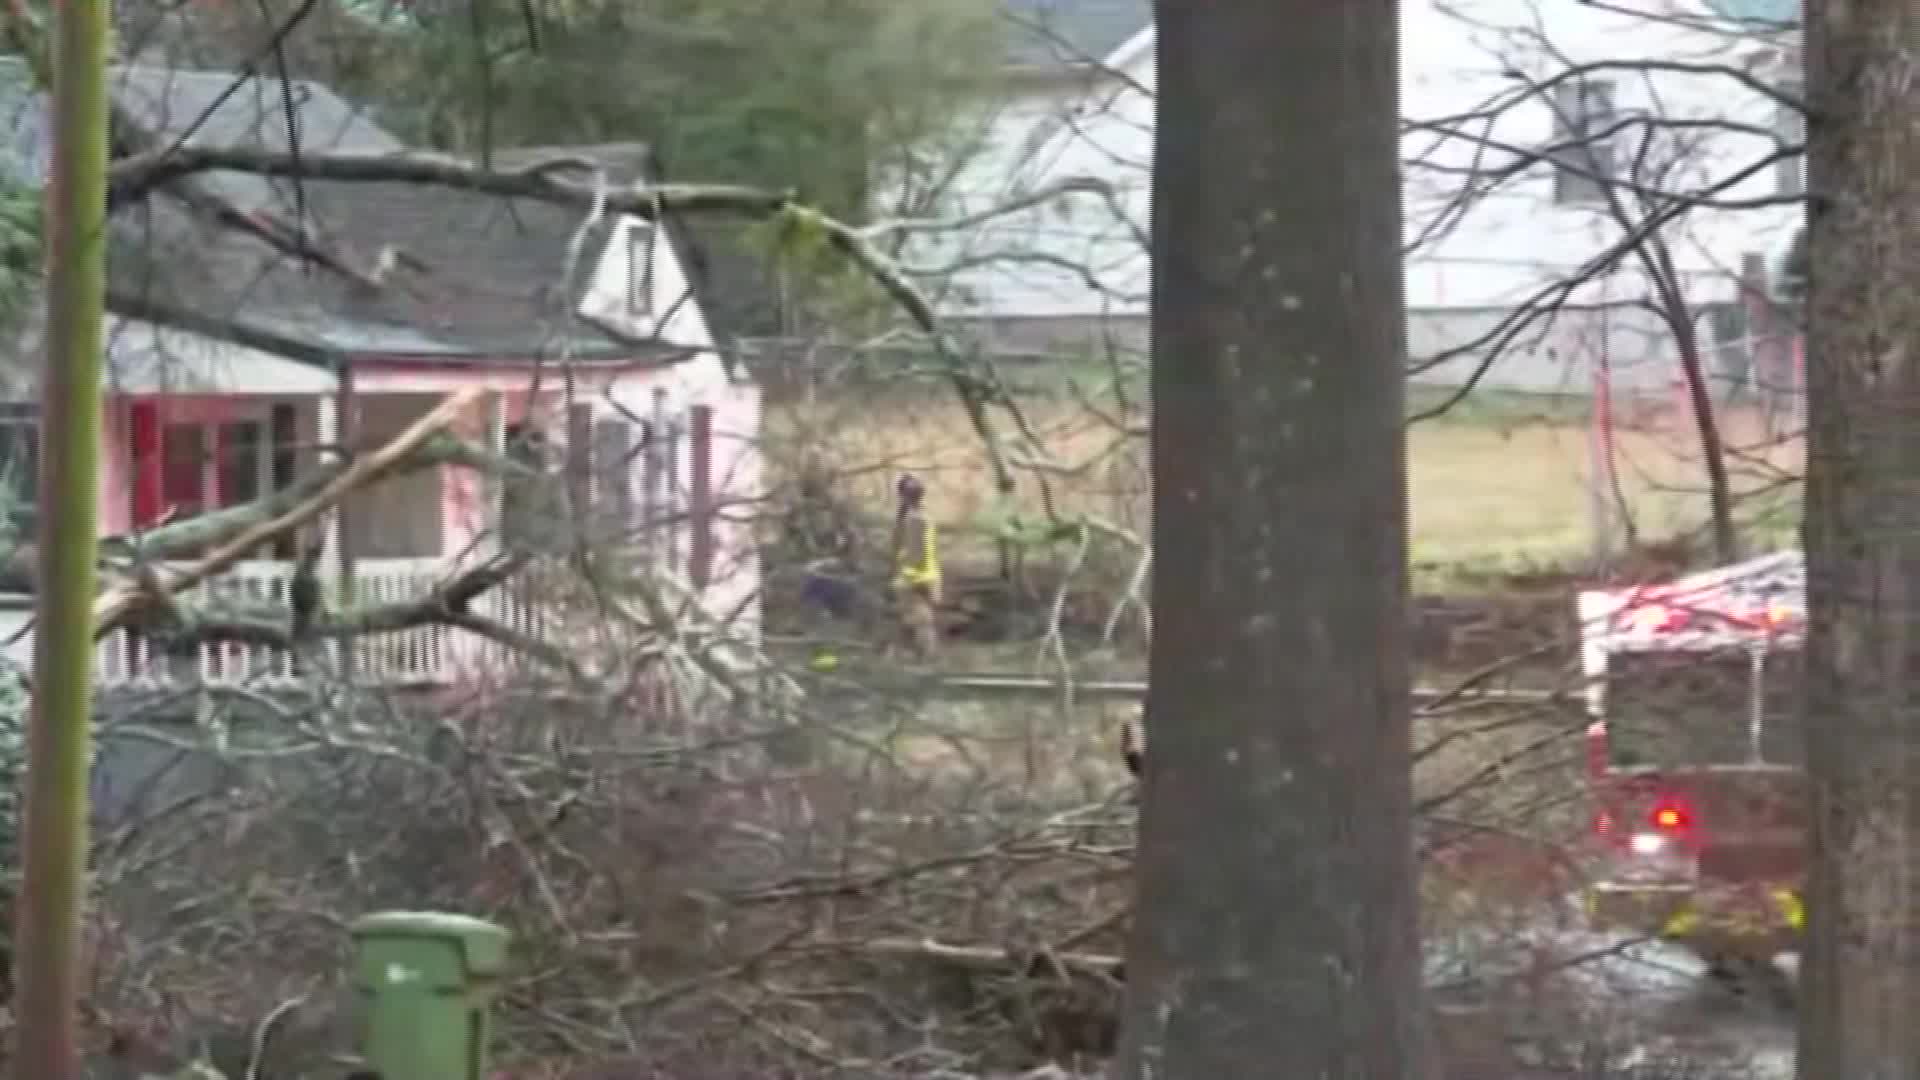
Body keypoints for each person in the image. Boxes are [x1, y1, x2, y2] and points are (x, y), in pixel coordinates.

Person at [889, 473, 942, 659]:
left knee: (919, 619)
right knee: (917, 619)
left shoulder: (914, 519)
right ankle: (913, 653)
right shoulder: (924, 516)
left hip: (917, 576)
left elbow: (916, 553)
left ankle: (924, 655)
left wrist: (905, 576)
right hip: (929, 574)